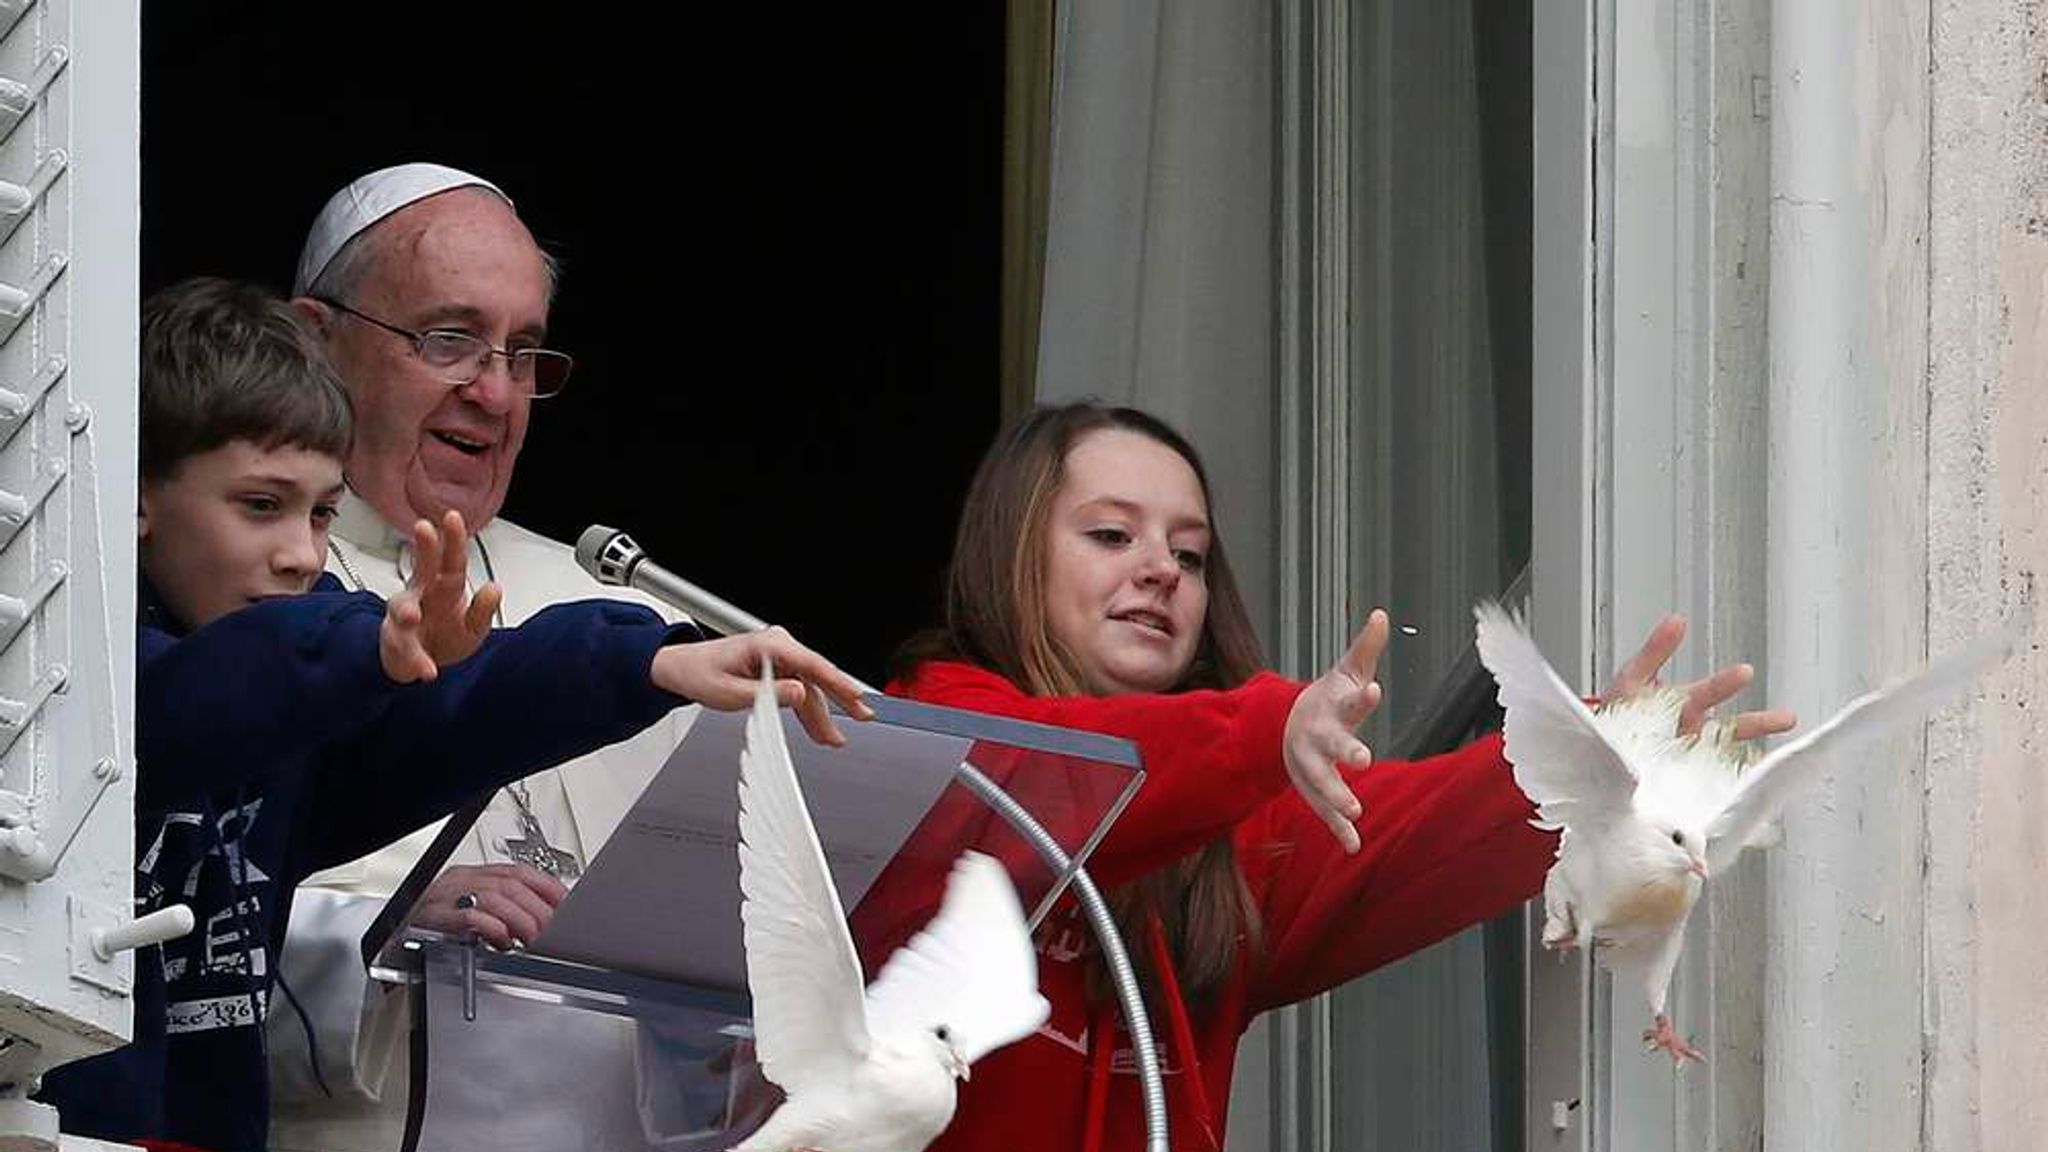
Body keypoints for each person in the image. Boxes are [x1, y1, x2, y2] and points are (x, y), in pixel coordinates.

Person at [33, 278, 865, 1152]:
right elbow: (199, 700)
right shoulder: (81, 690)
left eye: (322, 513)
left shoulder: (297, 733)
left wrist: (651, 662)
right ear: (136, 498)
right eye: (260, 505)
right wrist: (371, 652)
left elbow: (463, 710)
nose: (301, 555)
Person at [869, 401, 1797, 1151]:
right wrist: (1269, 726)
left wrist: (1612, 766)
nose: (1161, 570)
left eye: (1189, 555)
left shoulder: (1227, 843)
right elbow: (1040, 768)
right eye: (1113, 535)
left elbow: (1423, 827)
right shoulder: (921, 739)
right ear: (1010, 557)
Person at [263, 163, 807, 1150]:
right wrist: (387, 924)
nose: (496, 391)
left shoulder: (610, 605)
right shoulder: (237, 579)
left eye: (524, 354)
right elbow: (152, 941)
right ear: (315, 336)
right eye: (451, 339)